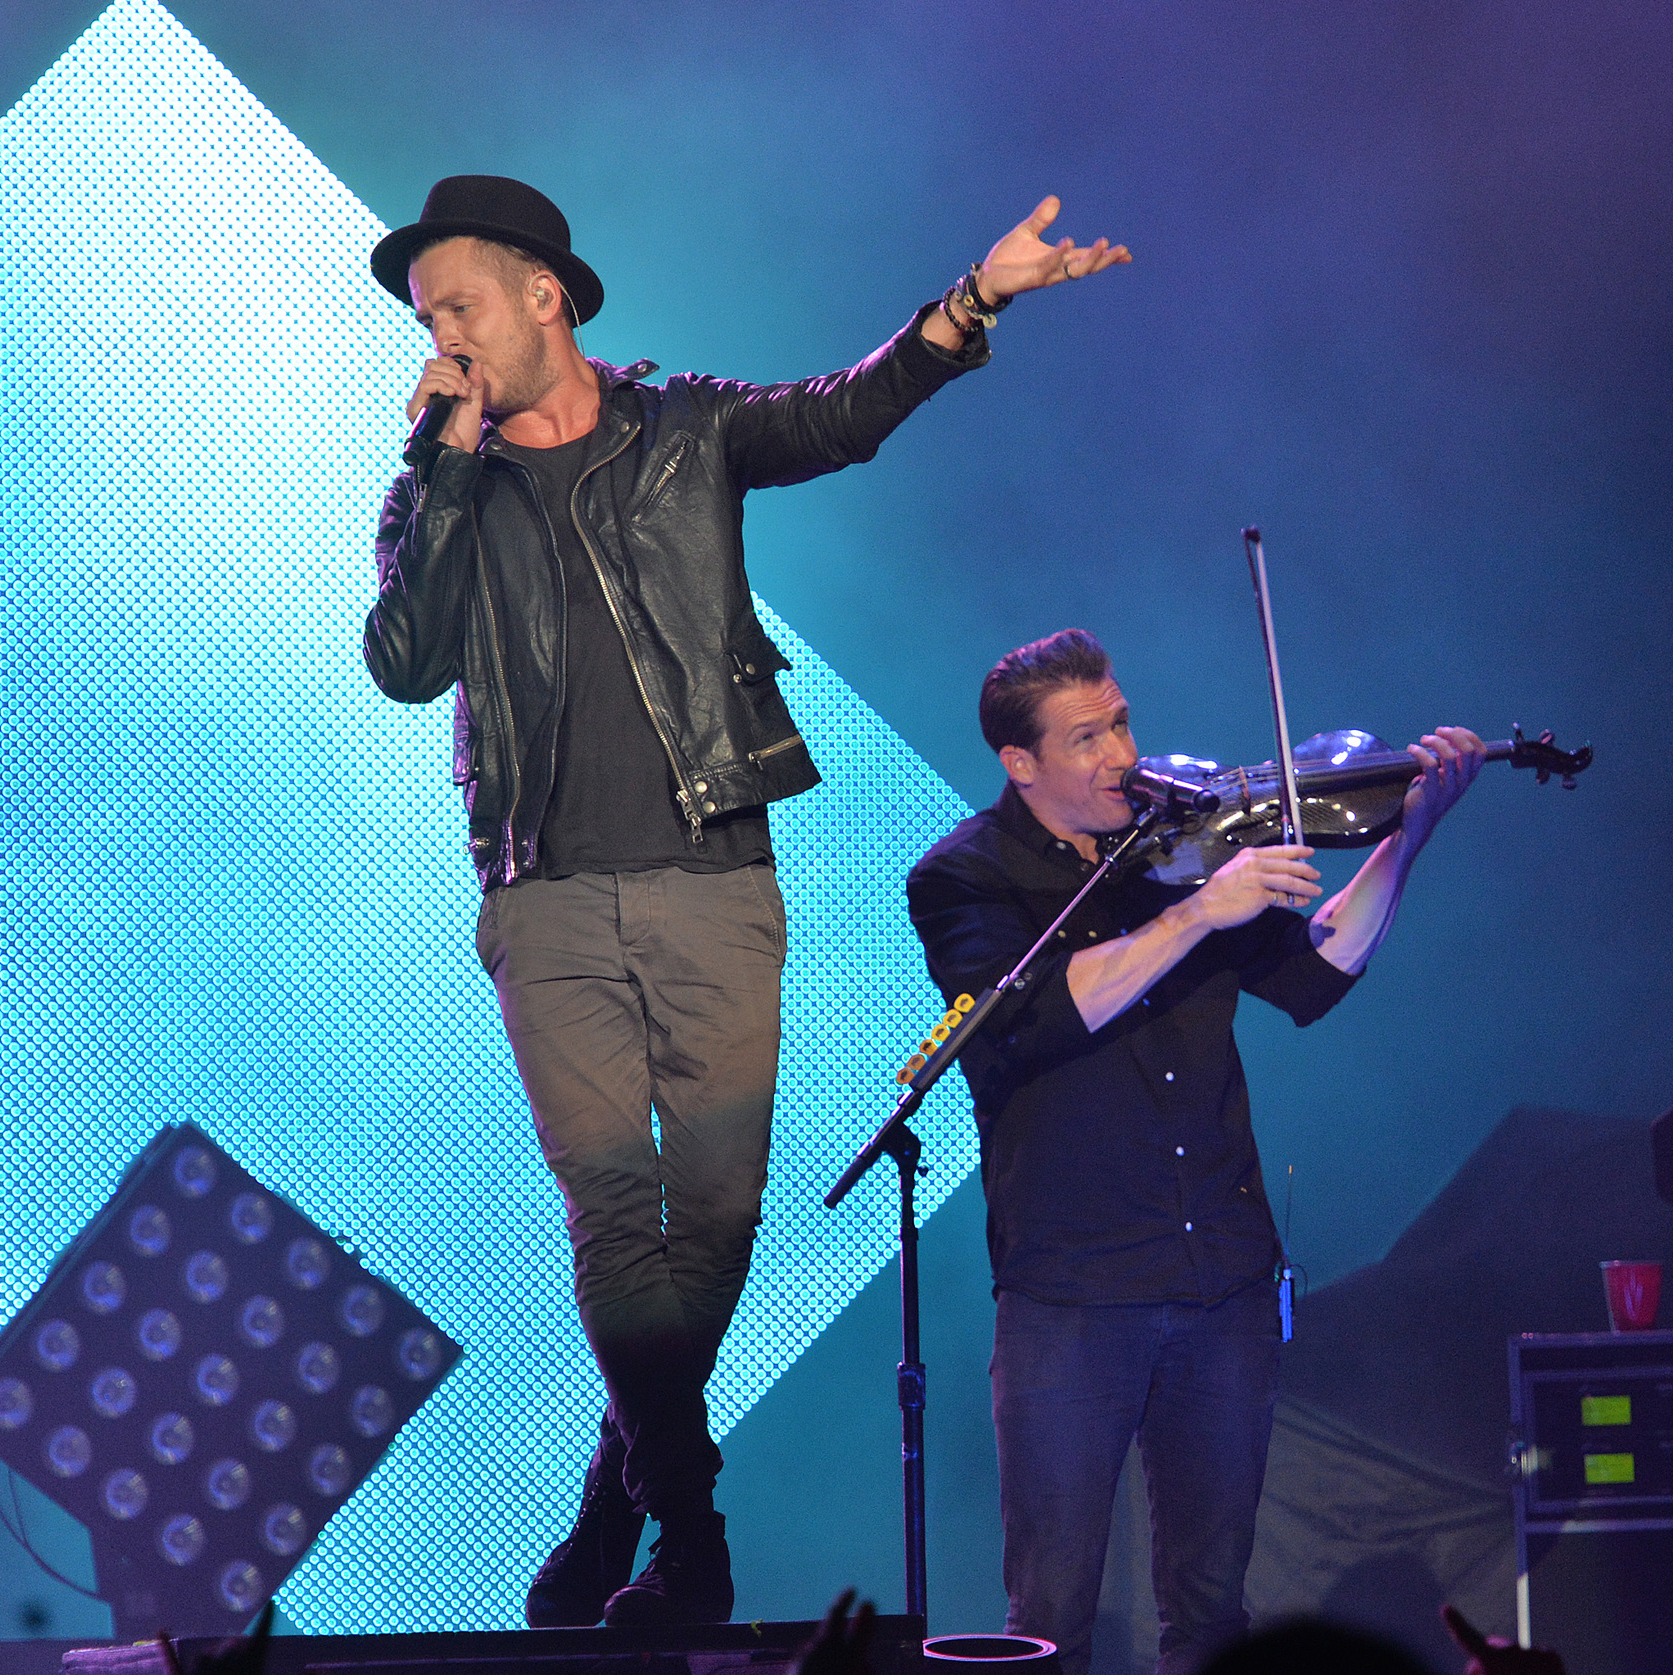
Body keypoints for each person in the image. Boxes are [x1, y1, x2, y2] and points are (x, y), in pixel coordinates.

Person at [360, 176, 1128, 1628]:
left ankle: (617, 1497)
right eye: (423, 318)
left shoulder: (684, 432)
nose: (439, 336)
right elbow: (403, 663)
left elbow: (840, 416)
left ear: (543, 296)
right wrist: (438, 464)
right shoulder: (436, 486)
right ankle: (694, 1527)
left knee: (712, 1217)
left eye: (457, 303)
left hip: (712, 874)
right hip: (544, 892)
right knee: (612, 1208)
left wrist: (972, 300)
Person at [905, 630, 1484, 1675]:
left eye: (1122, 722)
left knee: (1212, 1608)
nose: (1123, 755)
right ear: (1020, 762)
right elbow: (1028, 1021)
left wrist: (1406, 840)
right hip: (1072, 1293)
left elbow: (1314, 975)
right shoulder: (964, 875)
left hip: (1222, 1279)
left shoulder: (1179, 844)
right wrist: (1196, 915)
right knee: (1050, 1613)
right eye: (1087, 738)